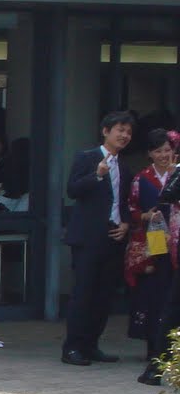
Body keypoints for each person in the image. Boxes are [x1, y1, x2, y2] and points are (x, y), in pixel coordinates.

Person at [62, 110, 136, 366]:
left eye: (128, 132)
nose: (124, 136)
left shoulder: (125, 169)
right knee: (84, 293)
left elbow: (123, 202)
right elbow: (72, 190)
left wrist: (126, 223)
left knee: (104, 296)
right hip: (87, 238)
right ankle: (72, 347)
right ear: (106, 131)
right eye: (120, 130)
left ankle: (91, 344)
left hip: (113, 237)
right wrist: (97, 175)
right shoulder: (87, 157)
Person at [126, 129, 178, 385]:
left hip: (176, 237)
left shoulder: (175, 173)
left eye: (167, 150)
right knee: (156, 290)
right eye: (158, 151)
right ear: (150, 154)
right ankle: (155, 349)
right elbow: (132, 208)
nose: (164, 155)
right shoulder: (141, 179)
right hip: (156, 237)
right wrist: (145, 216)